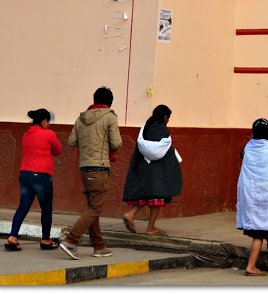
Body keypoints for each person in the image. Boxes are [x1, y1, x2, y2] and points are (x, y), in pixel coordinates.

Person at [58, 86, 122, 260]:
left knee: (93, 207)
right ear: (109, 102)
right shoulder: (110, 117)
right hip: (100, 167)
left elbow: (71, 142)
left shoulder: (80, 119)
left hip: (84, 167)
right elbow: (116, 143)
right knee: (95, 208)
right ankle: (71, 240)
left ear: (94, 100)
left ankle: (99, 246)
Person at [235, 118, 268, 276]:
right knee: (260, 229)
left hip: (252, 194)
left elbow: (242, 156)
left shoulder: (248, 147)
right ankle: (251, 266)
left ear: (253, 133)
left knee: (261, 222)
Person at [5, 108, 63, 251]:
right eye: (48, 122)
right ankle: (45, 240)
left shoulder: (26, 134)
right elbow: (58, 150)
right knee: (46, 208)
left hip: (25, 174)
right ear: (44, 121)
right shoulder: (48, 134)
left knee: (23, 207)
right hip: (42, 175)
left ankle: (13, 236)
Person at [121, 104, 183, 235]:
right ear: (166, 117)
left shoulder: (146, 128)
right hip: (158, 170)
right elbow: (165, 151)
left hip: (143, 167)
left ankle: (130, 214)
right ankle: (151, 228)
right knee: (157, 198)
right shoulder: (163, 130)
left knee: (145, 195)